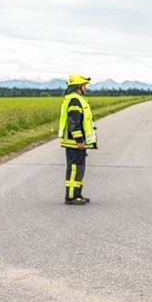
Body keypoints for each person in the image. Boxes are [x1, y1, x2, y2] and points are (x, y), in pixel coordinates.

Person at [58, 73, 96, 205]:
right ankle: (71, 197)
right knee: (74, 169)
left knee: (79, 169)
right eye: (84, 85)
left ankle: (77, 194)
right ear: (78, 86)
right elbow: (74, 122)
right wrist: (79, 140)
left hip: (77, 143)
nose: (85, 88)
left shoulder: (76, 98)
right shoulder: (75, 100)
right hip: (74, 143)